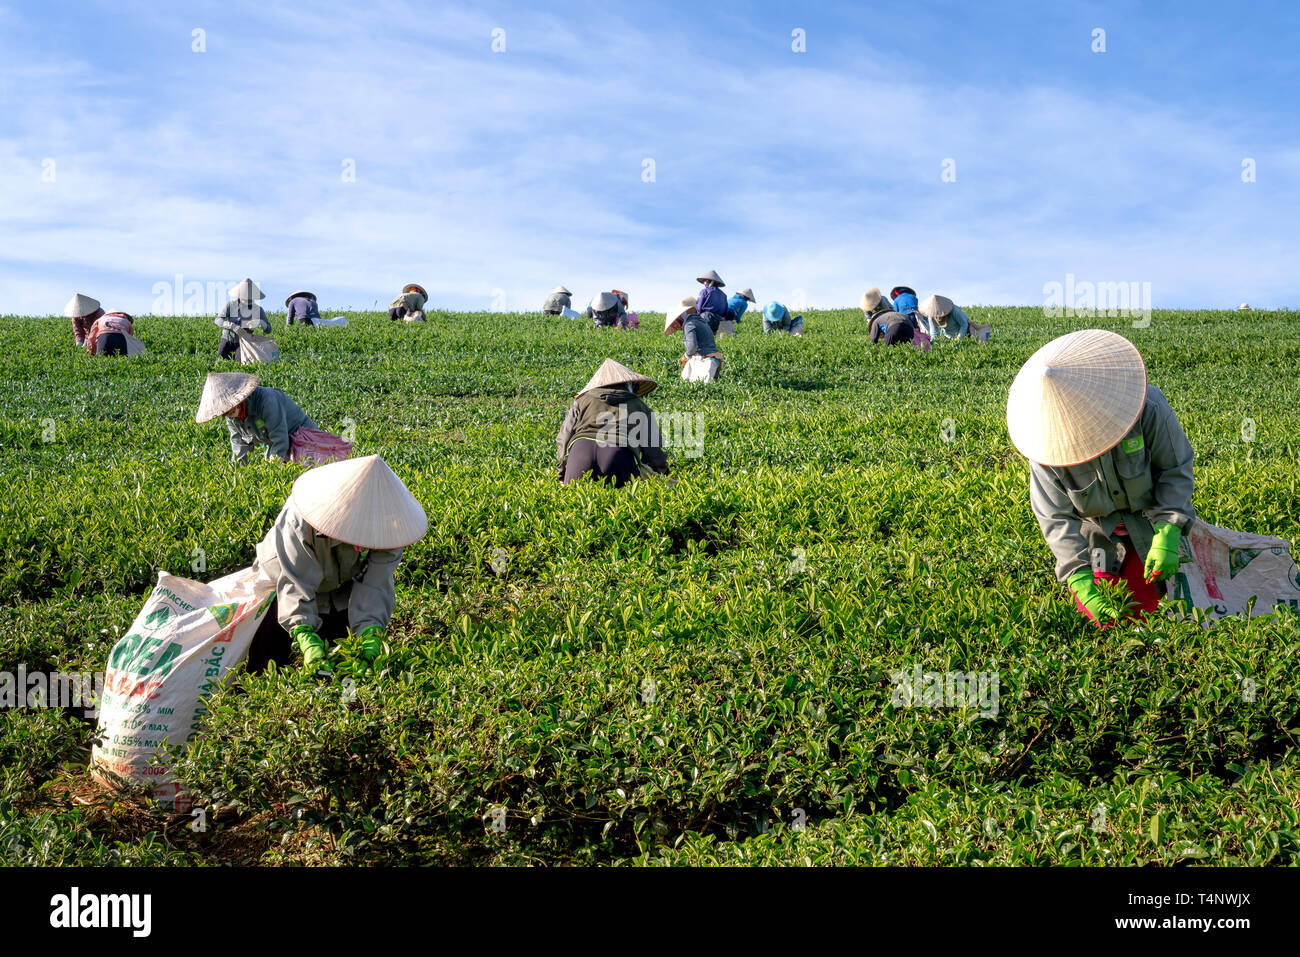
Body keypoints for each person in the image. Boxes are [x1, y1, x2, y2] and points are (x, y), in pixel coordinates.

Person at [1008, 329, 1196, 628]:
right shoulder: (1043, 446)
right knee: (1105, 619)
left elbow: (1175, 468)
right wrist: (1078, 576)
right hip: (1097, 535)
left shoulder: (1148, 408)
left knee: (1153, 608)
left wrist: (1169, 529)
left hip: (1148, 520)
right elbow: (1055, 518)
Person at [246, 455, 428, 673]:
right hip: (280, 583)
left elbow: (376, 584)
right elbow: (294, 581)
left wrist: (370, 630)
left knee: (340, 662)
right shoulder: (300, 520)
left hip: (340, 584)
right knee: (268, 660)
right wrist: (305, 634)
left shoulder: (392, 528)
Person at [555, 359, 669, 486]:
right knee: (621, 503)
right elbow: (653, 450)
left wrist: (562, 472)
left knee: (573, 502)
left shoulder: (582, 401)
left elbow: (563, 438)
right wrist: (663, 473)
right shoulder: (640, 406)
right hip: (618, 454)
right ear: (629, 385)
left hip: (579, 454)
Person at [195, 371, 320, 465]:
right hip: (277, 443)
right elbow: (238, 442)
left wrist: (272, 468)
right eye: (224, 412)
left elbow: (279, 439)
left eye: (228, 410)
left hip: (304, 437)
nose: (227, 414)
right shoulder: (231, 415)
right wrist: (238, 471)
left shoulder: (267, 401)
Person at [216, 278, 272, 359]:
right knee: (220, 361)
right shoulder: (231, 305)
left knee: (239, 365)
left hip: (244, 342)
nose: (248, 299)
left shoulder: (258, 309)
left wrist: (261, 323)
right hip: (227, 339)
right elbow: (218, 320)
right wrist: (231, 326)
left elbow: (269, 329)